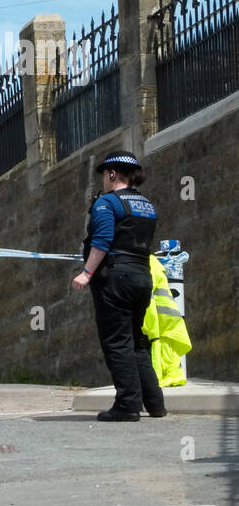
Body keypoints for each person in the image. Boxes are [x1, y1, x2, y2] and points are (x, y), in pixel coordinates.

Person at [70, 151, 166, 421]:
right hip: (142, 277)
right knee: (137, 342)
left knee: (117, 342)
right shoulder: (147, 205)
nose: (103, 179)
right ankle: (155, 404)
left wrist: (86, 273)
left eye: (104, 174)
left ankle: (127, 405)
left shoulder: (107, 203)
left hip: (115, 279)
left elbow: (102, 240)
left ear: (112, 173)